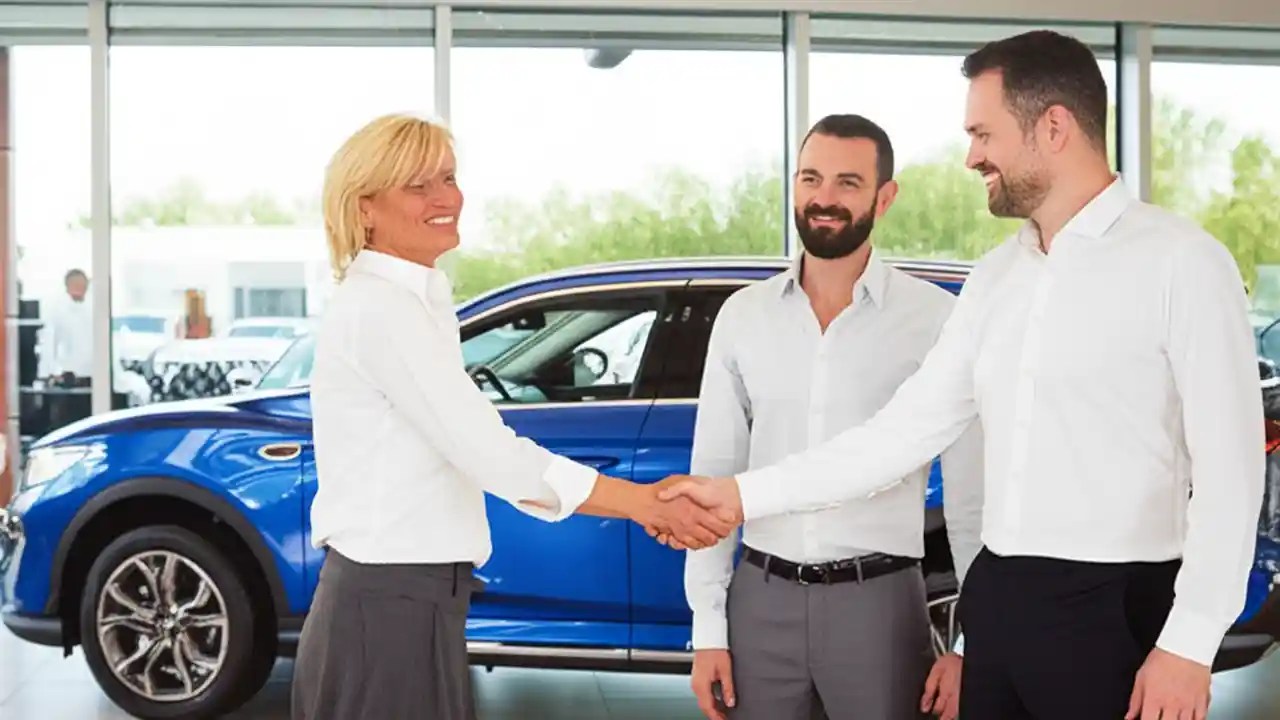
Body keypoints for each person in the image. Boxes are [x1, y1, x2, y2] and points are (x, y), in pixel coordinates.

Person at [658, 30, 1263, 720]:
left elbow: (1231, 474)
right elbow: (899, 434)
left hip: (1117, 604)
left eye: (984, 133)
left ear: (1054, 127)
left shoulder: (1182, 261)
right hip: (1003, 598)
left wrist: (1191, 640)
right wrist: (740, 495)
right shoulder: (996, 279)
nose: (972, 154)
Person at [290, 113, 734, 720]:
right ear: (365, 208)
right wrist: (642, 503)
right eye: (418, 186)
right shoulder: (383, 308)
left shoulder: (411, 301)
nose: (446, 198)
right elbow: (486, 451)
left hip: (407, 601)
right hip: (387, 606)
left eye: (447, 177)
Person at [681, 114, 984, 720]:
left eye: (848, 182)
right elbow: (714, 474)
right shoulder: (743, 317)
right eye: (810, 178)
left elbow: (972, 496)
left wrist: (971, 642)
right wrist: (709, 630)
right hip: (760, 599)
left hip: (881, 605)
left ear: (885, 196)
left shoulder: (936, 320)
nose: (824, 198)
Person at [37, 268, 94, 429]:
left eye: (84, 286)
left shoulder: (92, 308)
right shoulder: (57, 309)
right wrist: (51, 372)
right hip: (66, 376)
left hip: (91, 376)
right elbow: (49, 342)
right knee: (67, 422)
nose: (81, 289)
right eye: (77, 285)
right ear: (68, 285)